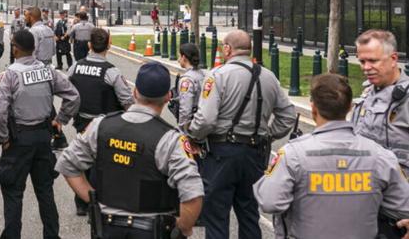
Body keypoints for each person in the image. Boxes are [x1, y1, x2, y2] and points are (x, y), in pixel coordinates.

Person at [55, 62, 204, 238]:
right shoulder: (171, 140)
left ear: (134, 92)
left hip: (106, 227)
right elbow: (193, 195)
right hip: (151, 229)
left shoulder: (100, 126)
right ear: (168, 97)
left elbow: (67, 165)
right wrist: (182, 229)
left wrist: (93, 201)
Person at [256, 73, 409, 239]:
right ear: (350, 106)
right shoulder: (382, 157)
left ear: (313, 108)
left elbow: (269, 201)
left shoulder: (292, 155)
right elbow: (403, 204)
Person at [187, 30, 297, 239]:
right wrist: (267, 135)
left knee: (217, 214)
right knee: (248, 213)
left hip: (222, 153)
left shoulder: (218, 75)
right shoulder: (268, 77)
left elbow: (206, 120)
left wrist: (193, 134)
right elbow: (288, 116)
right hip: (255, 153)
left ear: (228, 49)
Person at [0, 30, 80, 239]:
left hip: (19, 139)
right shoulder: (48, 70)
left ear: (15, 48)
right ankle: (52, 235)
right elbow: (73, 96)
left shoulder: (10, 74)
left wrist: (3, 138)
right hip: (42, 137)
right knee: (45, 191)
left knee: (13, 193)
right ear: (34, 48)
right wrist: (60, 120)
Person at [65, 27, 133, 216]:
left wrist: (64, 117)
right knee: (104, 164)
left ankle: (82, 202)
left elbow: (68, 93)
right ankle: (100, 203)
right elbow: (127, 100)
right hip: (105, 125)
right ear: (109, 45)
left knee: (83, 160)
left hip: (82, 122)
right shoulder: (111, 72)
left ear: (89, 45)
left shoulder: (75, 67)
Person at [351, 29, 409, 173]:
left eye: (373, 60)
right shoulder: (368, 91)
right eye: (362, 61)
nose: (366, 68)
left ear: (393, 59)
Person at [171, 42, 205, 130]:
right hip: (203, 120)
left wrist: (182, 129)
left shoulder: (186, 80)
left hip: (193, 124)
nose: (178, 60)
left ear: (184, 57)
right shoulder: (204, 74)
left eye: (179, 56)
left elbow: (185, 110)